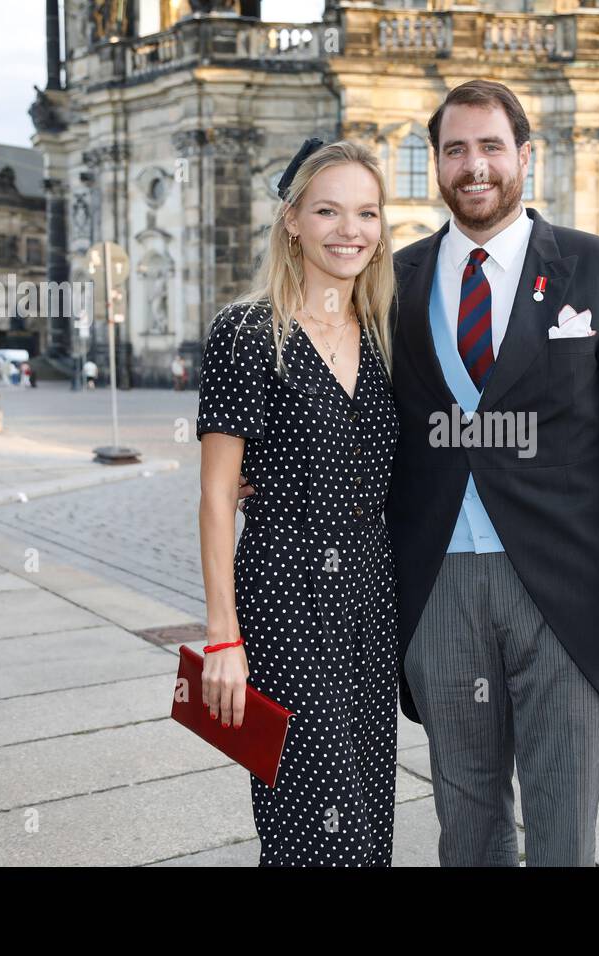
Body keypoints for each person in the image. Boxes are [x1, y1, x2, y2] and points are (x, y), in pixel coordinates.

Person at [381, 80, 599, 866]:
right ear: (436, 164)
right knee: (467, 810)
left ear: (525, 155)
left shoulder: (593, 267)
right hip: (438, 581)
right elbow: (365, 419)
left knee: (562, 820)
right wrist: (276, 471)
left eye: (490, 147)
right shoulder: (393, 280)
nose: (473, 166)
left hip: (561, 581)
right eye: (455, 150)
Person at [200, 139, 399, 866]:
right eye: (328, 211)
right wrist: (223, 638)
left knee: (369, 810)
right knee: (313, 812)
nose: (351, 229)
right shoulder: (249, 333)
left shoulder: (381, 335)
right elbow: (218, 495)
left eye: (367, 213)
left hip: (373, 595)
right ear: (292, 221)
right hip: (283, 590)